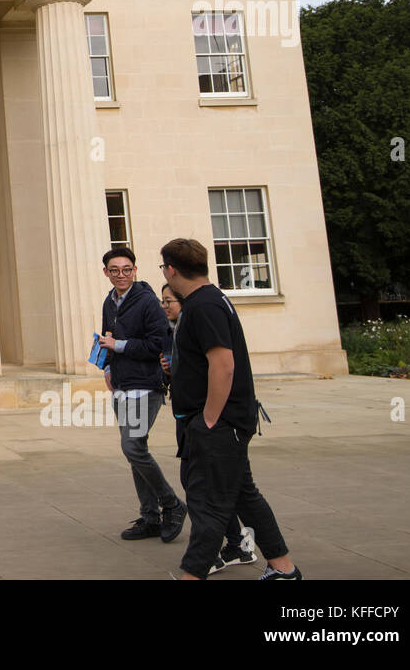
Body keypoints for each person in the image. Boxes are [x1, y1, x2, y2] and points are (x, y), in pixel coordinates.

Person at [160, 238, 301, 580]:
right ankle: (283, 570)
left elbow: (223, 364)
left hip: (220, 425)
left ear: (171, 269)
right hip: (225, 422)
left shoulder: (204, 305)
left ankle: (192, 576)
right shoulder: (209, 299)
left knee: (208, 503)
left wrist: (209, 419)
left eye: (163, 267)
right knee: (243, 497)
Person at [161, 282, 257, 574]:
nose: (165, 306)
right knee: (233, 490)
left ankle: (211, 555)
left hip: (209, 421)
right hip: (192, 419)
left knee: (204, 489)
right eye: (162, 301)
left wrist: (209, 420)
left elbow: (220, 368)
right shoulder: (176, 329)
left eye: (169, 301)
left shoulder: (203, 312)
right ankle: (245, 548)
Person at [99, 247, 186, 543]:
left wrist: (118, 346)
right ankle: (150, 517)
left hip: (144, 387)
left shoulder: (148, 302)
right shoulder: (109, 302)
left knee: (133, 448)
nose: (121, 275)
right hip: (121, 388)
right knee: (135, 453)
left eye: (126, 269)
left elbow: (156, 345)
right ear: (106, 273)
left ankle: (172, 504)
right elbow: (105, 340)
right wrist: (108, 367)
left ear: (135, 271)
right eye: (114, 270)